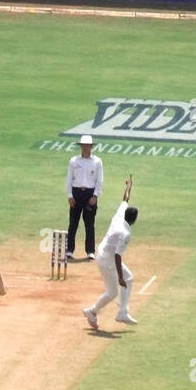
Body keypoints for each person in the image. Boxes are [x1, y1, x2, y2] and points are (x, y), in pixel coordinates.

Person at [83, 178, 137, 329]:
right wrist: (120, 276)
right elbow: (118, 256)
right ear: (133, 221)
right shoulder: (125, 233)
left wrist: (129, 186)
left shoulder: (121, 214)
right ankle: (101, 312)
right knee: (118, 287)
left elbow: (125, 198)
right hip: (108, 260)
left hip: (104, 254)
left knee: (125, 282)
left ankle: (112, 312)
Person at [66, 132, 102, 260]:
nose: (86, 148)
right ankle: (69, 250)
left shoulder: (97, 161)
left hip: (89, 194)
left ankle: (90, 251)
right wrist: (70, 196)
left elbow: (99, 180)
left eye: (88, 146)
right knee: (73, 223)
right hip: (76, 193)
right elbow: (69, 179)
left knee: (90, 224)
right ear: (81, 146)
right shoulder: (74, 161)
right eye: (83, 145)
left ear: (91, 147)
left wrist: (95, 196)